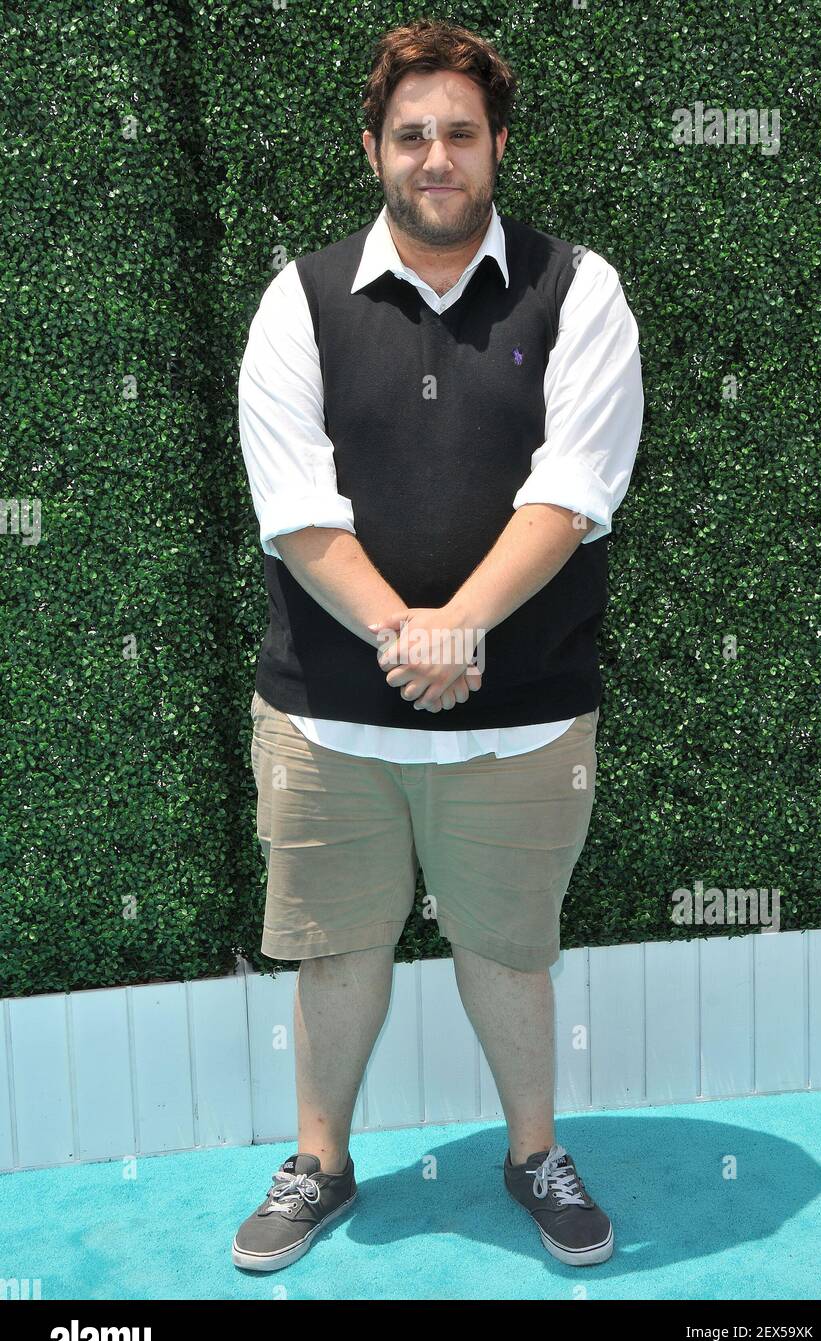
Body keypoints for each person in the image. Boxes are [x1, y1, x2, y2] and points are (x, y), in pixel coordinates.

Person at [233, 18, 643, 1273]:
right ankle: (322, 1162)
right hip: (326, 719)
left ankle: (533, 1155)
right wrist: (413, 635)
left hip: (520, 722)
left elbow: (572, 493)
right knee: (334, 948)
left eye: (459, 132)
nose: (434, 155)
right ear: (373, 150)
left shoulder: (581, 290)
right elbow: (297, 512)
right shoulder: (296, 302)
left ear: (496, 145)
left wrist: (456, 628)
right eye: (410, 133)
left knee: (506, 950)